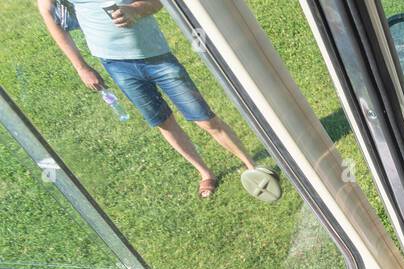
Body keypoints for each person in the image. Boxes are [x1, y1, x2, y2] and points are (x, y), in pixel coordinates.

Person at [38, 0, 280, 200]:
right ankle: (205, 173)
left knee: (203, 118)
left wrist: (134, 10)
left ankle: (252, 168)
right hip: (115, 65)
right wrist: (81, 67)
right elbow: (49, 16)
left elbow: (157, 3)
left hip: (157, 57)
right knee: (162, 121)